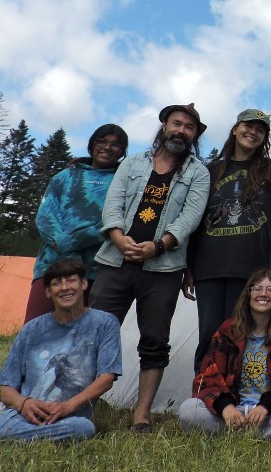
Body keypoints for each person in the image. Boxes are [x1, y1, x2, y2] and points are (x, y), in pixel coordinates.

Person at [91, 103, 211, 431]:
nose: (181, 131)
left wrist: (158, 246)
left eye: (189, 127)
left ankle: (142, 415)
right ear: (164, 125)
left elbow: (191, 216)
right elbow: (113, 203)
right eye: (177, 123)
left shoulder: (198, 173)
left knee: (155, 339)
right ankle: (84, 402)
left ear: (195, 135)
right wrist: (118, 238)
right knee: (95, 333)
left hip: (164, 268)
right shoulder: (132, 163)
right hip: (115, 261)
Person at [186, 108, 271, 369]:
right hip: (209, 267)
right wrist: (188, 267)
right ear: (236, 129)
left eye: (260, 130)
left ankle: (238, 391)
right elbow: (193, 221)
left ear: (264, 138)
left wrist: (259, 227)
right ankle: (205, 388)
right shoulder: (210, 171)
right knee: (210, 334)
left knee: (242, 333)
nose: (253, 133)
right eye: (248, 126)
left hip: (252, 268)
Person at [0, 259, 122, 442]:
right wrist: (24, 404)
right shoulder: (31, 330)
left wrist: (67, 407)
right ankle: (36, 435)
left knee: (83, 428)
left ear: (84, 284)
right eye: (56, 283)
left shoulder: (105, 323)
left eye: (71, 280)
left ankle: (13, 436)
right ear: (48, 291)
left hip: (70, 417)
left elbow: (106, 378)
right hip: (25, 415)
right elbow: (5, 388)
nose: (65, 287)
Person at [180, 270, 271, 439]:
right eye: (257, 288)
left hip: (270, 414)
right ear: (248, 294)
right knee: (189, 409)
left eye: (270, 289)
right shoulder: (228, 331)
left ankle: (235, 436)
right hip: (232, 412)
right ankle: (259, 436)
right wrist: (225, 406)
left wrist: (267, 405)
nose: (263, 294)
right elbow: (207, 378)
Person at [25, 124, 128, 322]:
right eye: (102, 141)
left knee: (82, 331)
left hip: (96, 269)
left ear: (122, 151)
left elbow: (119, 219)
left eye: (115, 144)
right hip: (53, 263)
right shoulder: (65, 176)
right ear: (92, 144)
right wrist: (61, 241)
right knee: (36, 326)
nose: (107, 147)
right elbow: (46, 214)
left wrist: (74, 240)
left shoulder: (123, 182)